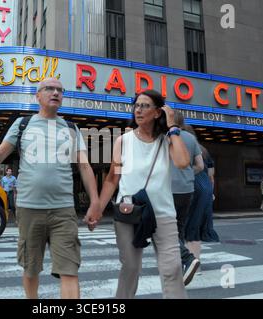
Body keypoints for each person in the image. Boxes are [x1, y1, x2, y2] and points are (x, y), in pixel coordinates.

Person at [0, 77, 100, 299]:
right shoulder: (23, 124)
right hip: (29, 208)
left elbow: (85, 166)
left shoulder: (71, 128)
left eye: (60, 90)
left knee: (69, 270)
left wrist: (96, 202)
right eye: (49, 88)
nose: (55, 92)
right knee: (31, 268)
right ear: (37, 95)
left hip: (64, 210)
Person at [85, 89, 190, 299]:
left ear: (158, 112)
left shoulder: (168, 140)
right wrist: (96, 209)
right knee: (130, 268)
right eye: (137, 106)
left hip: (163, 213)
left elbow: (182, 162)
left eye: (145, 106)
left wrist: (173, 128)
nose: (139, 110)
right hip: (129, 212)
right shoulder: (123, 141)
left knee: (173, 270)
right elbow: (112, 179)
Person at [170, 112, 204, 286]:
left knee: (164, 230)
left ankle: (187, 259)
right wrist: (189, 173)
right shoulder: (191, 138)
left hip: (168, 189)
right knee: (179, 229)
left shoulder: (165, 137)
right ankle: (182, 266)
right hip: (187, 190)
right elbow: (200, 165)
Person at [184, 145, 219, 273]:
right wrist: (211, 192)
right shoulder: (204, 151)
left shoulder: (180, 147)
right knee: (195, 228)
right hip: (205, 191)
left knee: (181, 228)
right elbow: (211, 176)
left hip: (188, 190)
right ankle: (195, 264)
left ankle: (186, 263)